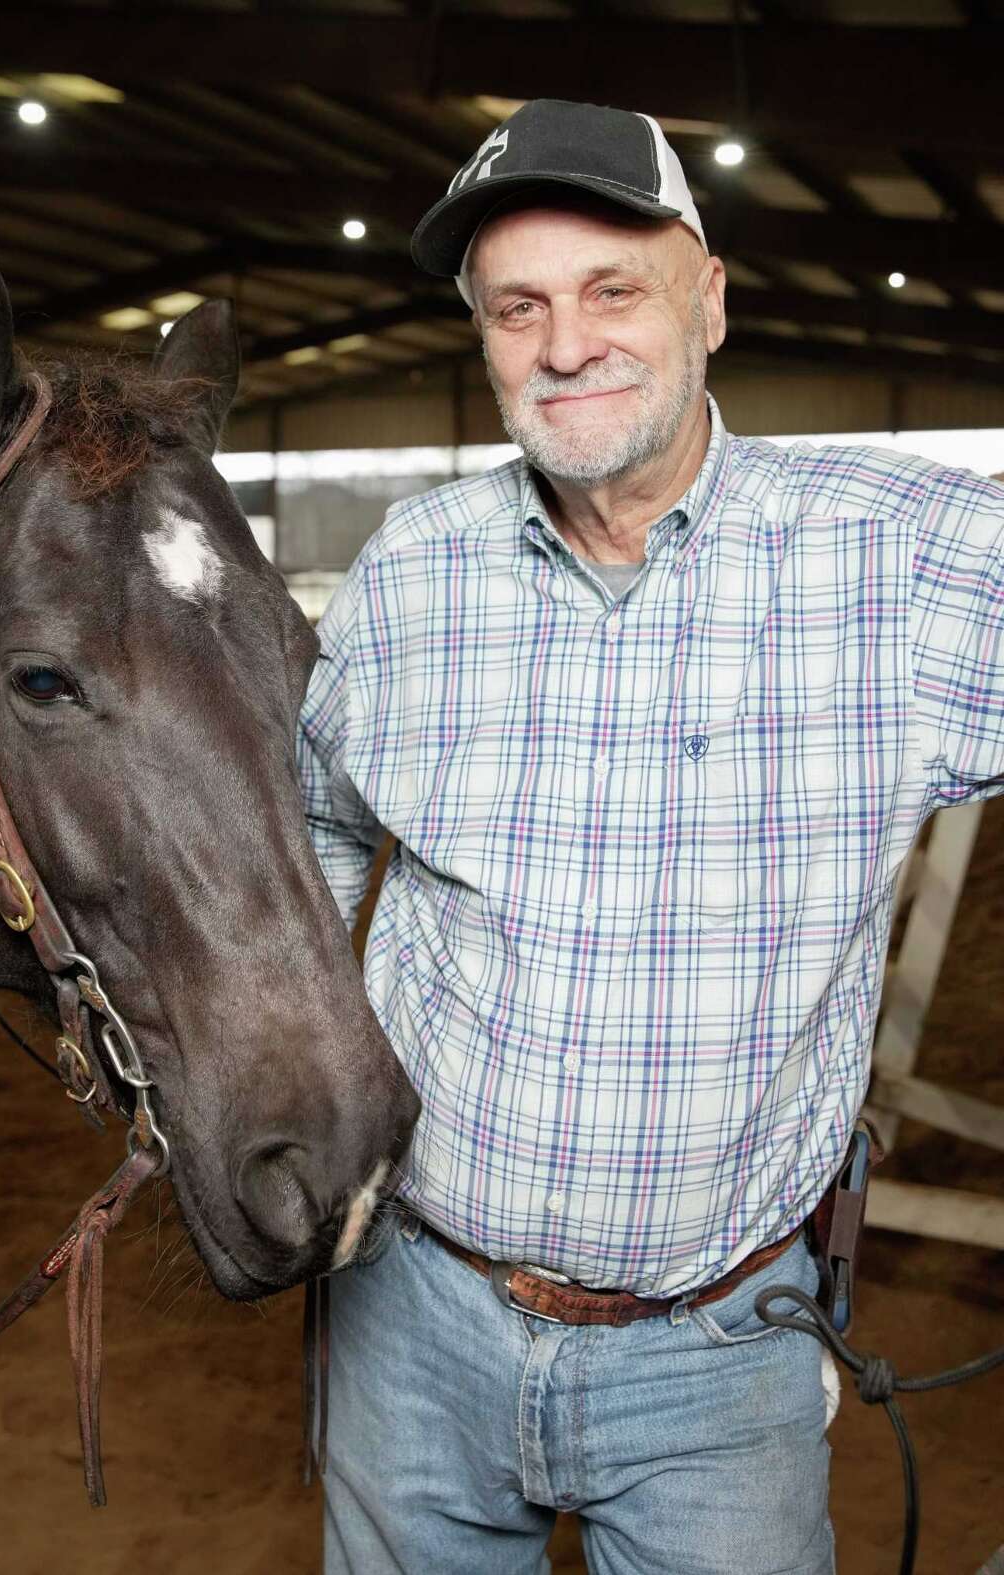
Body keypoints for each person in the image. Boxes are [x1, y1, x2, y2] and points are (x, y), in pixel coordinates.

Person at [296, 99, 1004, 1575]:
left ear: (712, 303)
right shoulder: (414, 569)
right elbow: (319, 837)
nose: (565, 346)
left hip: (718, 1352)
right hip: (410, 1317)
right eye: (518, 307)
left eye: (613, 289)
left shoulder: (910, 561)